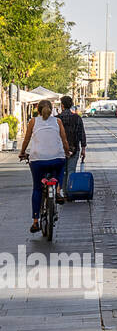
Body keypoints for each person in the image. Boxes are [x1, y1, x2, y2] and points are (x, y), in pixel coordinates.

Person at [18, 99, 71, 233]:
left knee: (37, 188)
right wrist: (66, 152)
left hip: (38, 160)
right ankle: (58, 191)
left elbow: (27, 139)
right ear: (52, 109)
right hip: (56, 158)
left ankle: (35, 222)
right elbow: (64, 140)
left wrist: (22, 152)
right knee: (61, 166)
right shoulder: (57, 122)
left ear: (38, 110)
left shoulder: (33, 121)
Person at [56, 95, 86, 202]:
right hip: (74, 148)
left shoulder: (57, 119)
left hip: (60, 149)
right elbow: (81, 133)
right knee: (71, 171)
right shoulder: (77, 118)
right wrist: (83, 148)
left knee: (62, 171)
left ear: (62, 105)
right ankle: (70, 192)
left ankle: (63, 192)